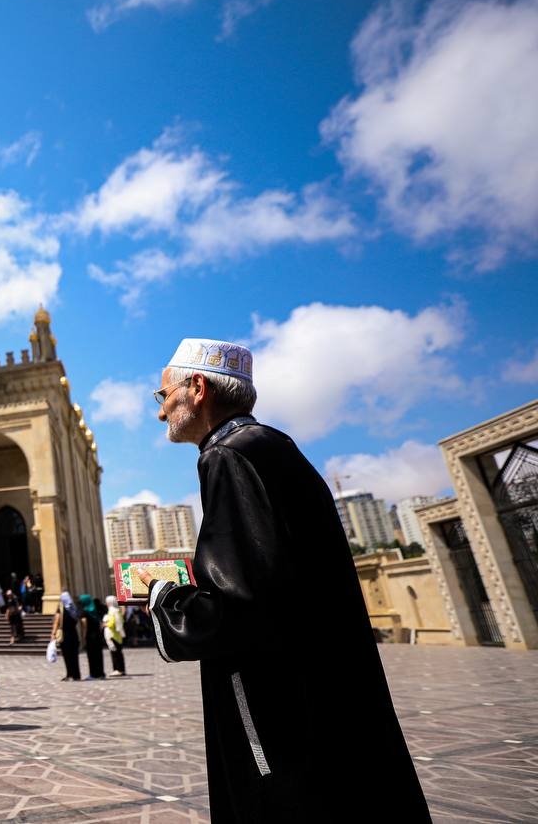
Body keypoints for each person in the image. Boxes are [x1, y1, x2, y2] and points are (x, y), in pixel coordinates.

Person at [136, 337, 431, 822]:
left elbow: (241, 602)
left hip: (280, 705)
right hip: (324, 688)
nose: (160, 411)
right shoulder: (272, 445)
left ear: (197, 387)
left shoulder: (227, 454)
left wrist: (165, 596)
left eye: (162, 396)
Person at [51, 592, 83, 681]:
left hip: (65, 635)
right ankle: (77, 675)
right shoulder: (73, 608)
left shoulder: (61, 609)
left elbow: (57, 621)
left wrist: (53, 633)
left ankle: (70, 674)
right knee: (74, 655)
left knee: (67, 655)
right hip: (74, 633)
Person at [80, 594, 106, 680]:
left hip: (90, 637)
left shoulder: (85, 612)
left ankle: (94, 674)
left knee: (91, 656)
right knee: (98, 655)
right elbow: (100, 624)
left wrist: (83, 637)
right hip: (97, 636)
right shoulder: (95, 611)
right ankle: (101, 673)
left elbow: (84, 626)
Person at [103, 595, 126, 677]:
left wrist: (105, 624)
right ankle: (121, 669)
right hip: (118, 635)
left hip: (113, 635)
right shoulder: (117, 610)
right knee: (119, 653)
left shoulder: (111, 611)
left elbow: (112, 623)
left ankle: (117, 669)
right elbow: (121, 620)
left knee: (115, 653)